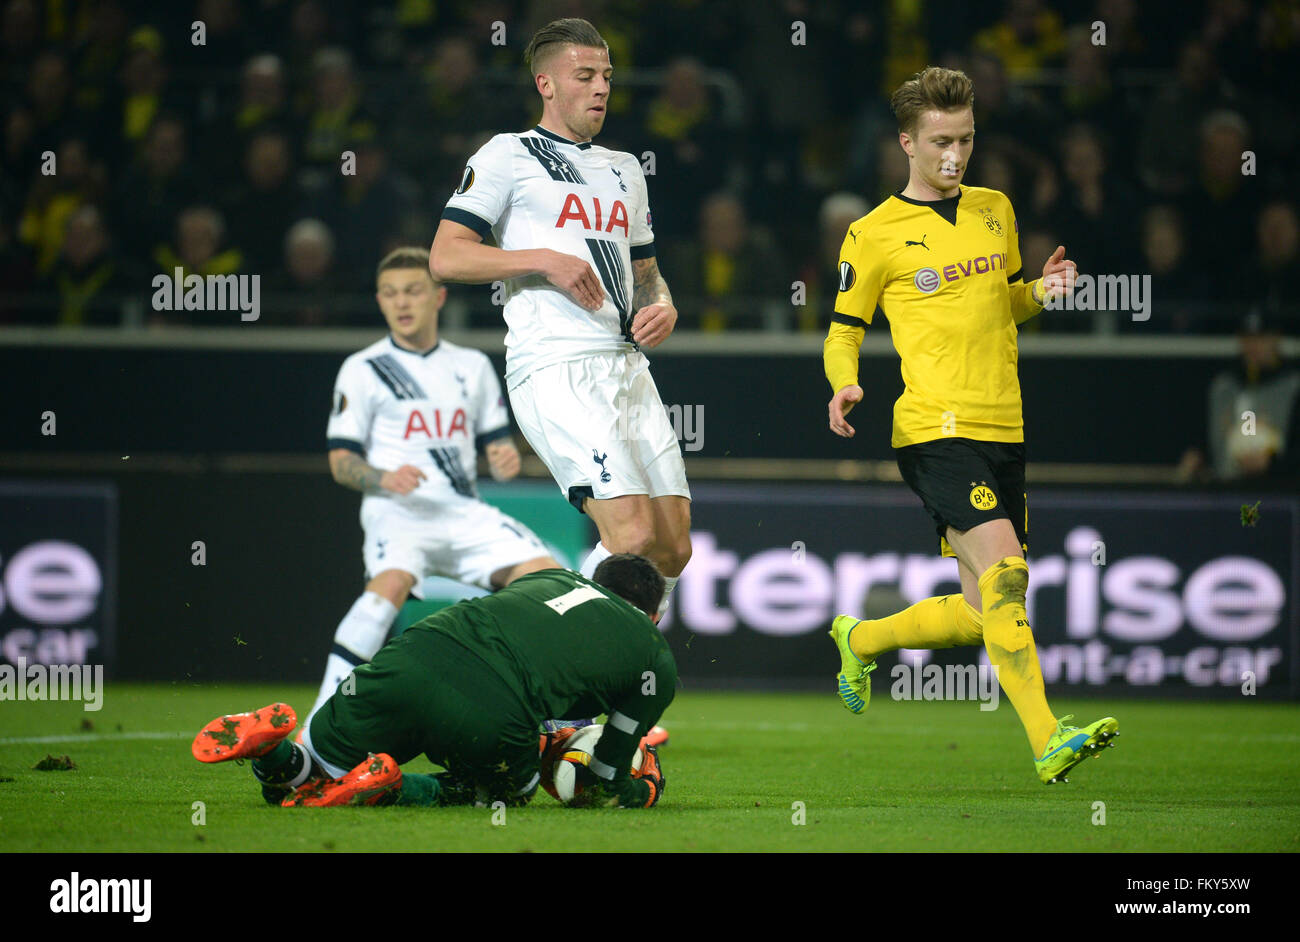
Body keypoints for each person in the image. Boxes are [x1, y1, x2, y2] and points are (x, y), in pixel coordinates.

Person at [823, 66, 1117, 786]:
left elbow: (1002, 304)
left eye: (966, 140)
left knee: (986, 608)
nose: (955, 156)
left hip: (1003, 426)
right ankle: (1049, 739)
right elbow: (842, 331)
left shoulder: (995, 209)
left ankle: (860, 637)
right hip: (932, 430)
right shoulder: (874, 233)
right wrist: (844, 385)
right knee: (1009, 575)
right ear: (907, 143)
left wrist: (1040, 294)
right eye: (940, 142)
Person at [428, 17, 691, 626]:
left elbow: (647, 270)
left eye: (607, 76)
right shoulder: (507, 154)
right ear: (546, 83)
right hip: (554, 364)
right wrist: (544, 259)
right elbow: (446, 256)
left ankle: (607, 695)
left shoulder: (626, 167)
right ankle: (535, 664)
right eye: (585, 76)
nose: (602, 87)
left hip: (626, 365)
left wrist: (664, 305)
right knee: (629, 532)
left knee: (673, 546)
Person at [193, 556, 672, 810]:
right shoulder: (654, 655)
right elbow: (597, 786)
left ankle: (272, 752)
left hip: (410, 654)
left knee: (297, 783)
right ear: (653, 615)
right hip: (490, 708)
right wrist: (643, 790)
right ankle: (394, 790)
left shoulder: (549, 578)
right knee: (510, 792)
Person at [311, 246, 560, 714]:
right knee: (386, 591)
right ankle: (319, 722)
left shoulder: (471, 366)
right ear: (381, 302)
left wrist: (504, 456)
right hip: (397, 513)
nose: (401, 303)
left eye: (412, 291)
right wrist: (383, 476)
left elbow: (496, 443)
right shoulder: (363, 370)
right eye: (389, 294)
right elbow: (341, 461)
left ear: (439, 297)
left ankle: (567, 718)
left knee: (552, 586)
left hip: (464, 512)